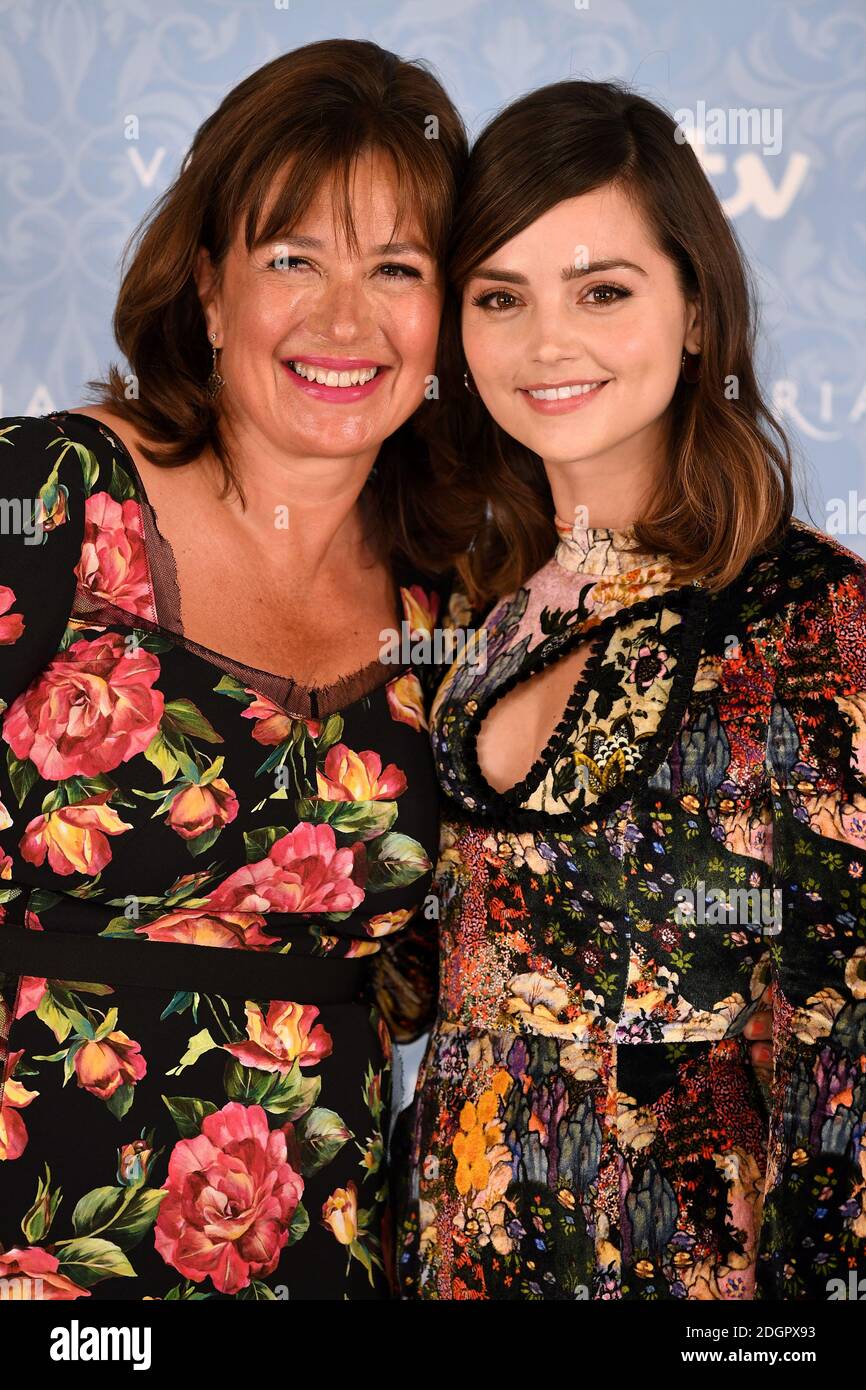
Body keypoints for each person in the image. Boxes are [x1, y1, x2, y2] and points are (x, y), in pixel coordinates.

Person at [0, 38, 467, 1300]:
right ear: (208, 291)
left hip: (322, 1254)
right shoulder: (51, 498)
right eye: (292, 259)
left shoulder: (454, 600)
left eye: (396, 269)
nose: (343, 319)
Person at [394, 78, 866, 1300]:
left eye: (602, 289)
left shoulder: (810, 619)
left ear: (695, 309)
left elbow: (848, 1040)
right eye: (499, 297)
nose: (546, 342)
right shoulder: (478, 611)